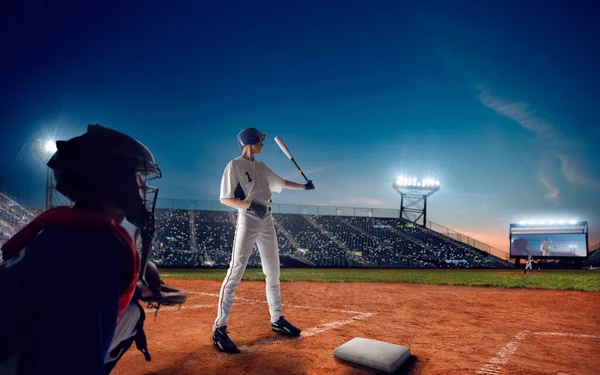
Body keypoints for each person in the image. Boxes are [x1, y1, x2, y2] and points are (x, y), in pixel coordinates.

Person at [0, 124, 162, 374]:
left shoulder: (61, 232)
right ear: (112, 177)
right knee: (130, 317)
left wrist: (138, 285)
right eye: (136, 175)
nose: (142, 185)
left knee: (130, 312)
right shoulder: (96, 250)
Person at [212, 128, 315, 354]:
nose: (263, 144)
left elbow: (281, 182)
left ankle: (277, 318)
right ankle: (219, 327)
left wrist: (303, 187)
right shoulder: (234, 165)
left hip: (267, 219)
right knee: (236, 270)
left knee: (273, 271)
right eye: (260, 140)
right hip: (248, 219)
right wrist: (250, 205)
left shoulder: (261, 166)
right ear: (251, 142)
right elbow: (225, 198)